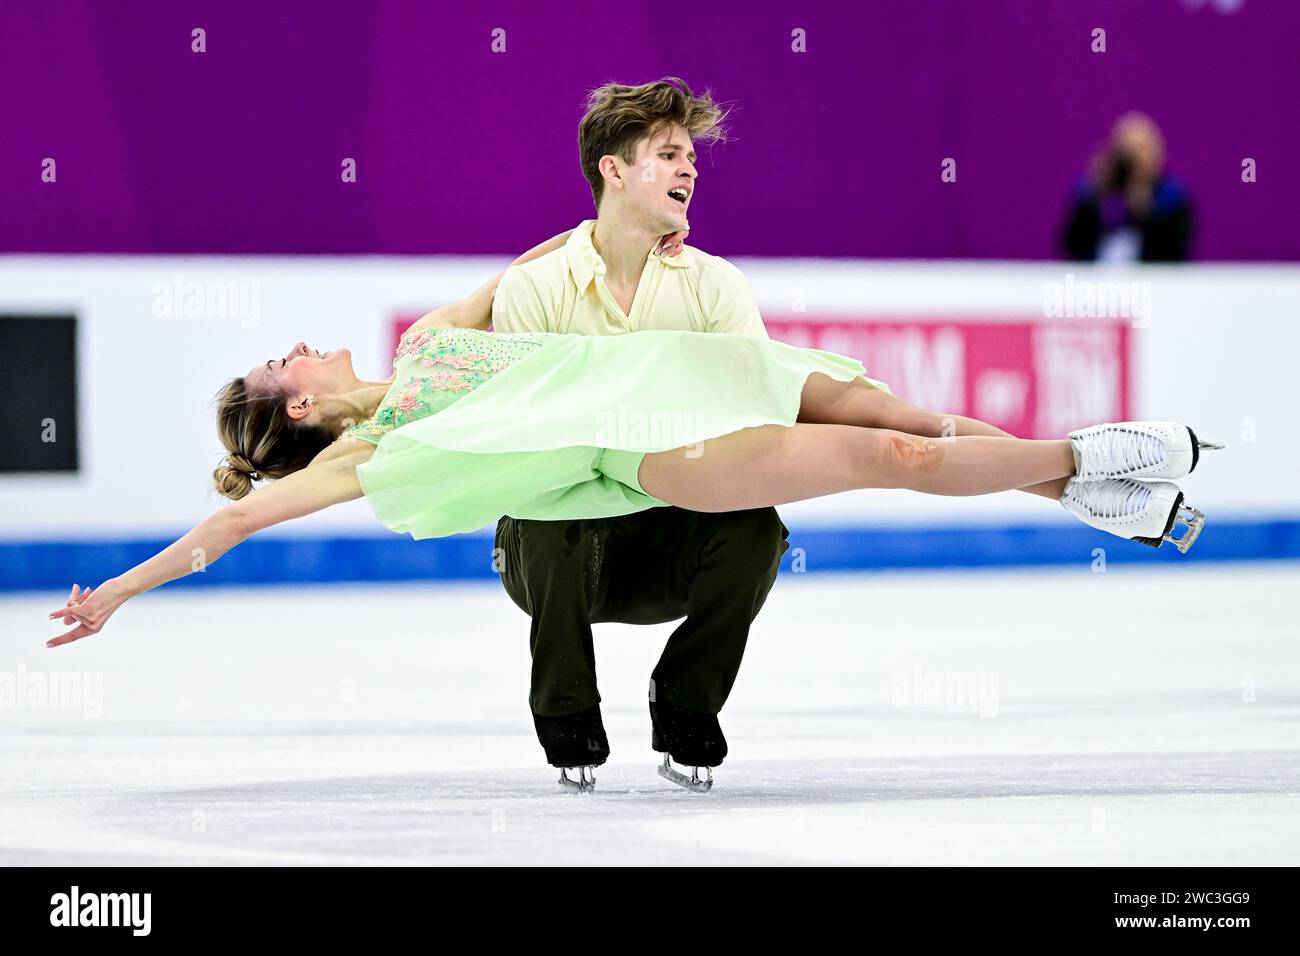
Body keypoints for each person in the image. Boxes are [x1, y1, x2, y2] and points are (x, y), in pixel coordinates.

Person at [45, 287, 1217, 798]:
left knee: (913, 419)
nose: (296, 345)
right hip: (651, 447)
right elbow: (238, 519)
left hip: (693, 365)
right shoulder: (371, 450)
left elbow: (539, 267)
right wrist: (124, 592)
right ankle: (1084, 461)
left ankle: (1076, 487)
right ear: (296, 409)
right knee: (894, 460)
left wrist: (638, 217)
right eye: (279, 363)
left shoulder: (428, 342)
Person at [485, 77, 782, 787]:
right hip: (562, 549)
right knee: (547, 500)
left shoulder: (716, 287)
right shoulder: (535, 287)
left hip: (668, 538)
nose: (690, 169)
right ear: (612, 170)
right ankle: (566, 713)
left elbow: (749, 414)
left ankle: (685, 699)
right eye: (670, 154)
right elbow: (531, 431)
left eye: (692, 159)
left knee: (758, 527)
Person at [1062, 111, 1193, 262]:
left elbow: (1176, 252)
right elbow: (1071, 245)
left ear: (1158, 152)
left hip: (1154, 282)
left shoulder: (1173, 196)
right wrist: (1096, 193)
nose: (1133, 159)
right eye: (1126, 149)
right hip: (1097, 282)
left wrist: (1145, 208)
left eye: (1141, 149)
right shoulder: (1091, 191)